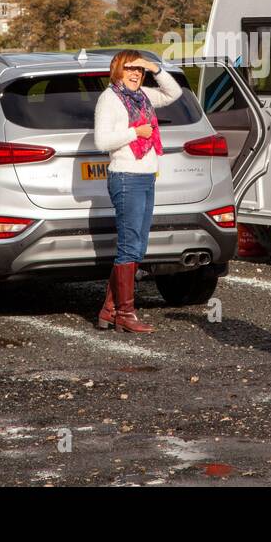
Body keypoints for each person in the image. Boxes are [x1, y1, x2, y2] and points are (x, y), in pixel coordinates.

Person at [92, 50, 182, 333]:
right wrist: (135, 133)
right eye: (129, 69)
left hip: (145, 177)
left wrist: (155, 68)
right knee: (129, 245)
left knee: (138, 245)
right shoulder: (110, 99)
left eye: (139, 70)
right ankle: (126, 314)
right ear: (117, 70)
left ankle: (109, 310)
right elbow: (101, 141)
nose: (135, 74)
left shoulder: (143, 95)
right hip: (126, 177)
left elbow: (174, 93)